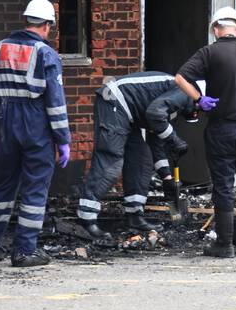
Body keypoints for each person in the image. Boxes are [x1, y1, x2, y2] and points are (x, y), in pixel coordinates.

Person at [175, 7, 236, 258]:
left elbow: (180, 78)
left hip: (221, 128)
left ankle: (225, 243)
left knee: (223, 186)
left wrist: (199, 99)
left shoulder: (209, 52)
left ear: (216, 29)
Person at [0, 0, 71, 268]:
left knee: (2, 187)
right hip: (35, 126)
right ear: (47, 26)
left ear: (25, 21)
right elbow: (55, 101)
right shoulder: (45, 54)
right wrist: (63, 140)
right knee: (34, 189)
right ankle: (24, 251)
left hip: (5, 121)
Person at [76, 71, 199, 243]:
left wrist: (167, 177)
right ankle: (86, 219)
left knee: (142, 160)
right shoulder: (184, 91)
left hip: (130, 115)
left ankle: (135, 216)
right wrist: (175, 139)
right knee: (112, 161)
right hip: (114, 100)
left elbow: (156, 142)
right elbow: (155, 114)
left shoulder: (170, 105)